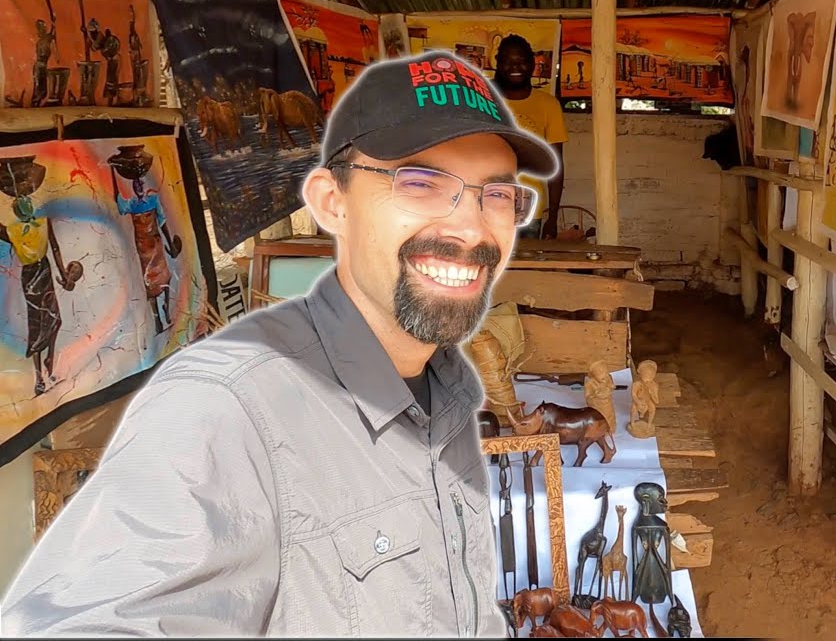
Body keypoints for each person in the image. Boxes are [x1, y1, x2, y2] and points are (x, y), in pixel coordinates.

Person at [0, 50, 558, 636]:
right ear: (330, 202)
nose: (472, 228)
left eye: (496, 194)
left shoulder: (447, 389)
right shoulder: (226, 405)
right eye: (419, 183)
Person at [493, 34, 567, 240]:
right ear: (498, 63)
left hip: (531, 211)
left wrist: (552, 218)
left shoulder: (548, 105)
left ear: (532, 64)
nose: (515, 67)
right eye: (508, 61)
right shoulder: (485, 100)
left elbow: (556, 166)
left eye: (522, 61)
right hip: (488, 206)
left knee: (527, 270)